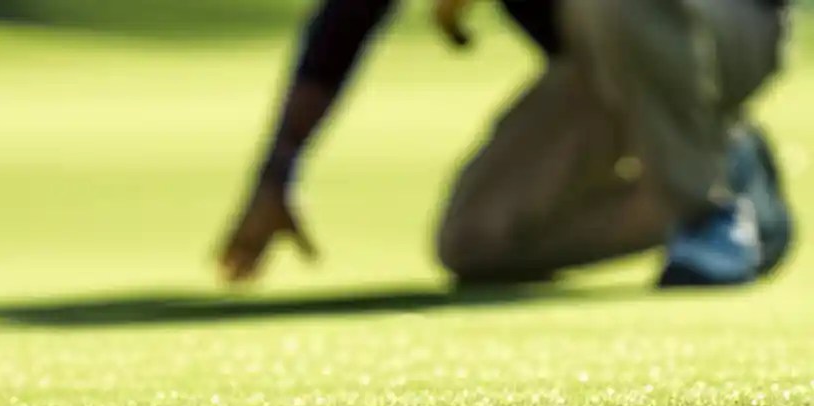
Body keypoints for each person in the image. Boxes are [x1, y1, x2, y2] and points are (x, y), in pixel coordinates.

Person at [220, 0, 795, 288]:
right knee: (475, 243)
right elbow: (346, 18)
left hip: (726, 24)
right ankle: (735, 181)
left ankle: (705, 213)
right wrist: (277, 174)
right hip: (604, 66)